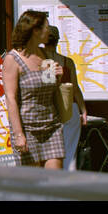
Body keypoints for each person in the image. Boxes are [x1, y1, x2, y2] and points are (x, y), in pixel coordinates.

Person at [2, 10, 65, 168]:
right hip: (27, 129)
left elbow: (50, 89)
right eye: (46, 27)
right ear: (35, 30)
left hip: (52, 127)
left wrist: (58, 77)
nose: (49, 31)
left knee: (55, 182)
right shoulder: (13, 59)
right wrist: (18, 134)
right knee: (32, 185)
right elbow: (11, 98)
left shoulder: (45, 55)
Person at [41, 25, 88, 170]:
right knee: (70, 149)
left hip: (51, 109)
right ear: (58, 41)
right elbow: (75, 88)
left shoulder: (43, 62)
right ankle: (69, 178)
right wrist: (83, 110)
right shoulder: (68, 62)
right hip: (70, 108)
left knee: (51, 152)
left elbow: (45, 87)